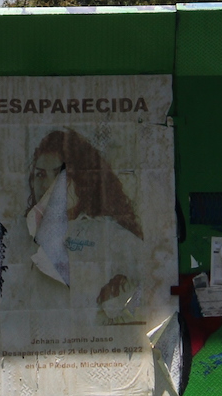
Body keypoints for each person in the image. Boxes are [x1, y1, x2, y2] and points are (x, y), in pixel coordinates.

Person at [24, 130, 144, 320]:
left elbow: (152, 285)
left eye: (58, 175)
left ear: (82, 181)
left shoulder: (109, 234)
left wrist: (115, 304)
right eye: (40, 175)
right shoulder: (22, 235)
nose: (48, 185)